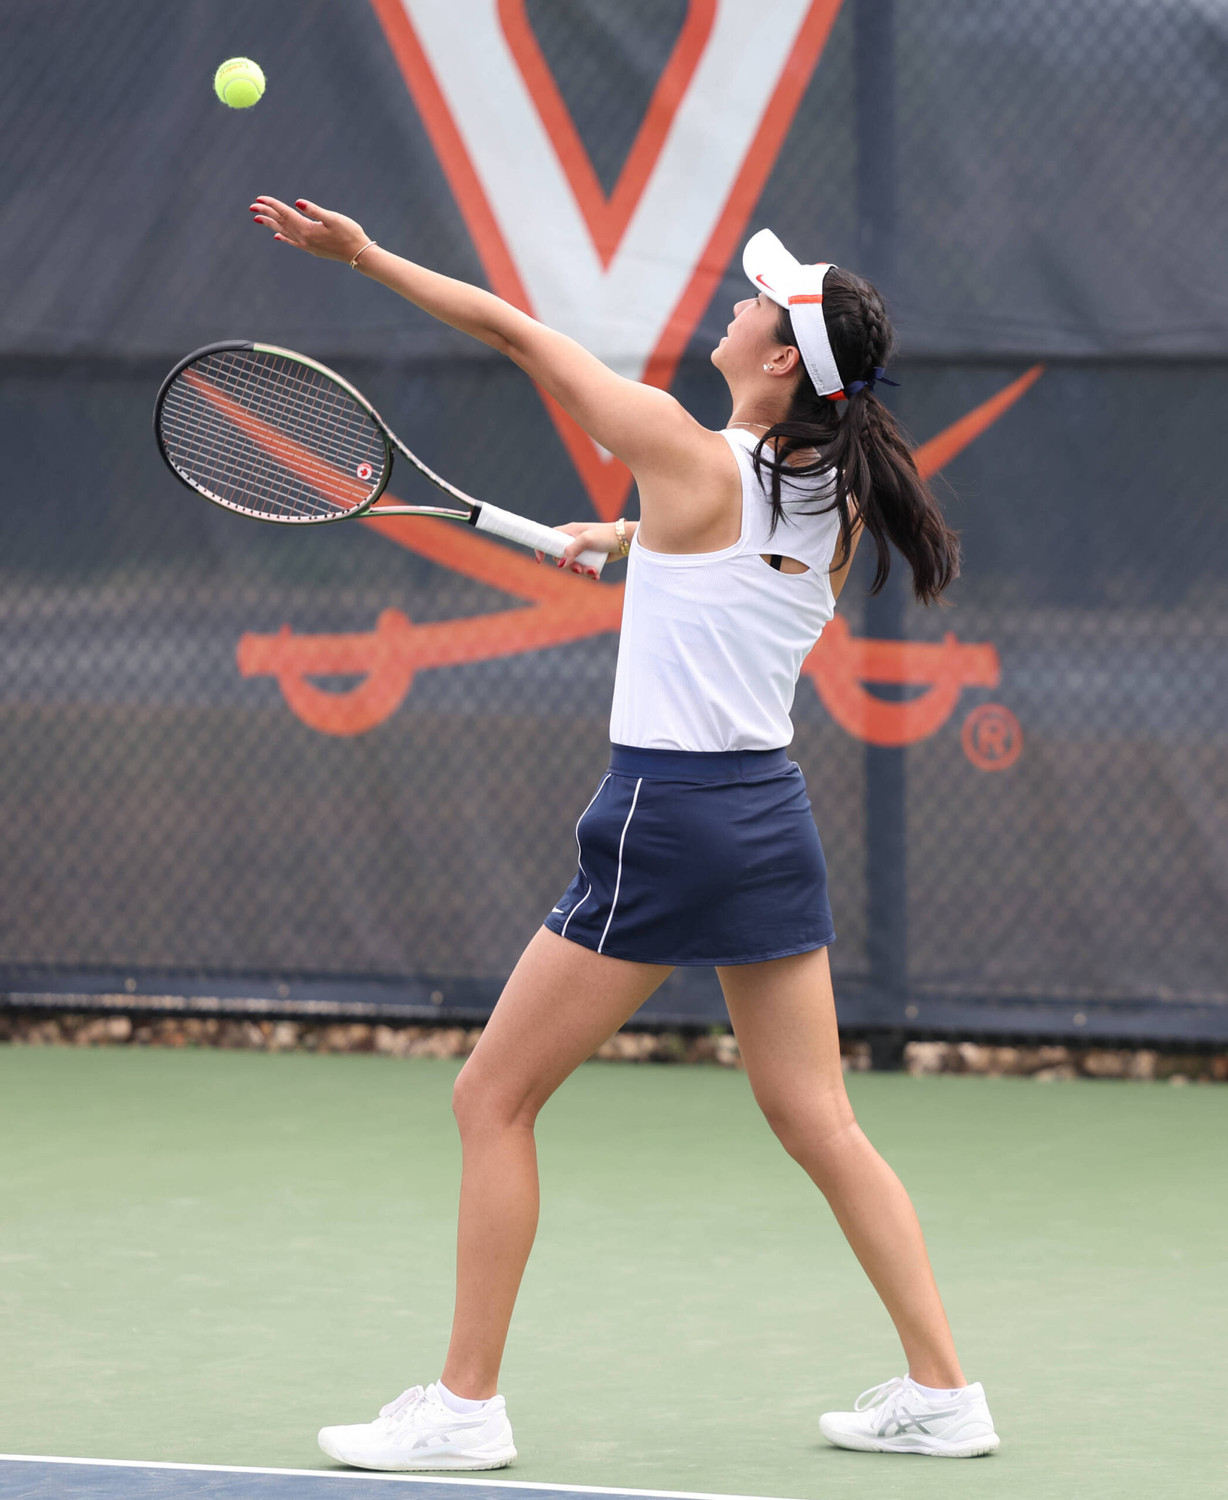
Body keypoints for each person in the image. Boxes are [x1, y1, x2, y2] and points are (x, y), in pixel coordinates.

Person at [249, 196, 1001, 1471]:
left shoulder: (678, 446)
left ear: (780, 361)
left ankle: (465, 1408)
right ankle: (945, 1391)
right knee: (819, 1117)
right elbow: (731, 544)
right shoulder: (839, 494)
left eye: (759, 302)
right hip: (766, 816)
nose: (737, 300)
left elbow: (515, 334)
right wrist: (630, 535)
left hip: (664, 817)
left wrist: (366, 254)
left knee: (492, 1096)